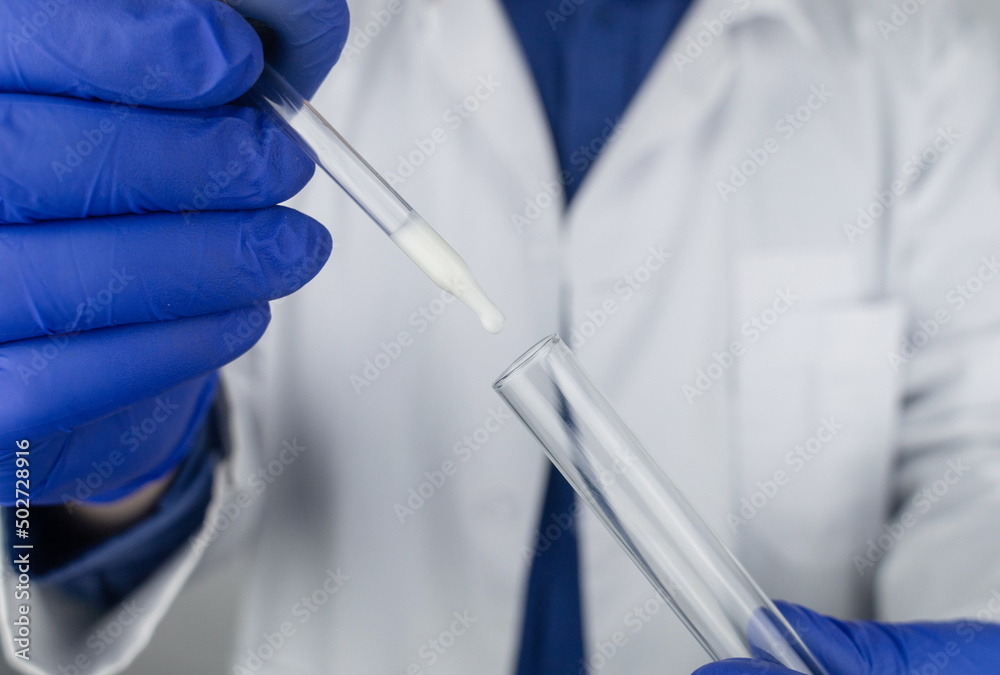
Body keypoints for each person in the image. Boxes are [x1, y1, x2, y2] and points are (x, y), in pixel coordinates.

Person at [1, 0, 999, 673]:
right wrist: (111, 466)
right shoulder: (286, 49)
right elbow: (218, 429)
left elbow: (979, 460)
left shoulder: (929, 59)